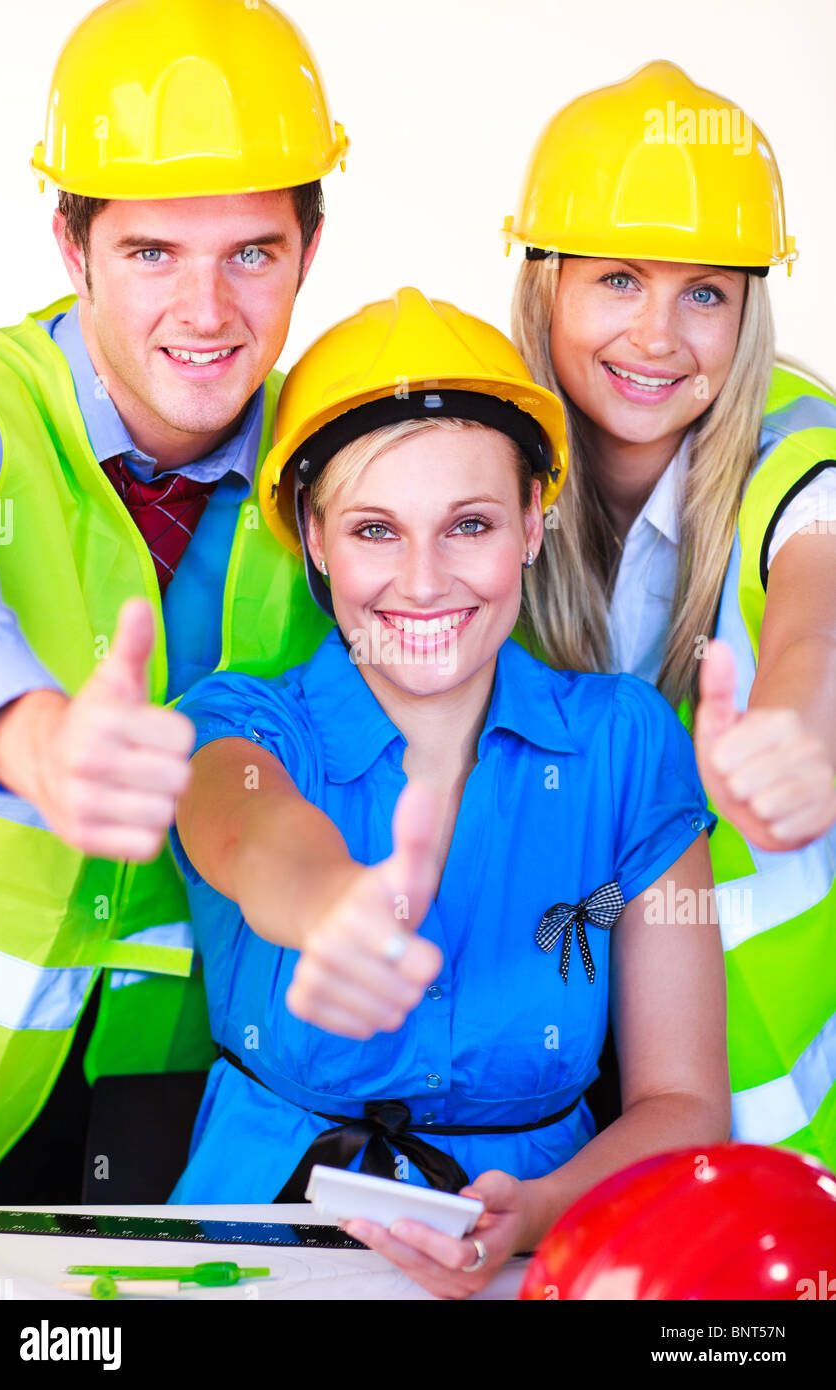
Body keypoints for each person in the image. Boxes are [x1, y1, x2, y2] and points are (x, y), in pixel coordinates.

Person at [168, 288, 730, 1298]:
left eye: (466, 523)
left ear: (529, 523)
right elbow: (241, 821)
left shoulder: (622, 742)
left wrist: (539, 1206)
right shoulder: (245, 724)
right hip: (252, 1254)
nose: (422, 582)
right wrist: (327, 899)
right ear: (313, 539)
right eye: (375, 531)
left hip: (540, 1252)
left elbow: (682, 1100)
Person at [0, 0, 346, 1199]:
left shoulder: (339, 458)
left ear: (310, 248)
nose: (205, 311)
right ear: (71, 247)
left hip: (185, 1116)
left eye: (251, 253)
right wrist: (28, 735)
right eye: (151, 254)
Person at [504, 60, 836, 1169]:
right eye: (616, 280)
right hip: (531, 1095)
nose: (656, 336)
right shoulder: (478, 439)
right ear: (542, 280)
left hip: (761, 1126)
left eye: (704, 293)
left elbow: (817, 594)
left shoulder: (794, 452)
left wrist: (796, 725)